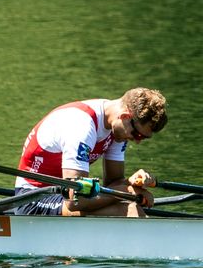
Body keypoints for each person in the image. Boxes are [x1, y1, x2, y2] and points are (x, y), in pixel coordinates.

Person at [11, 88, 167, 217]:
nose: (137, 141)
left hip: (63, 195)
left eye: (143, 138)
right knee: (129, 210)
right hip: (33, 198)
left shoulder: (118, 129)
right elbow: (74, 200)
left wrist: (131, 183)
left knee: (129, 205)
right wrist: (129, 191)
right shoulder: (81, 127)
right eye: (137, 135)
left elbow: (112, 185)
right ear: (125, 117)